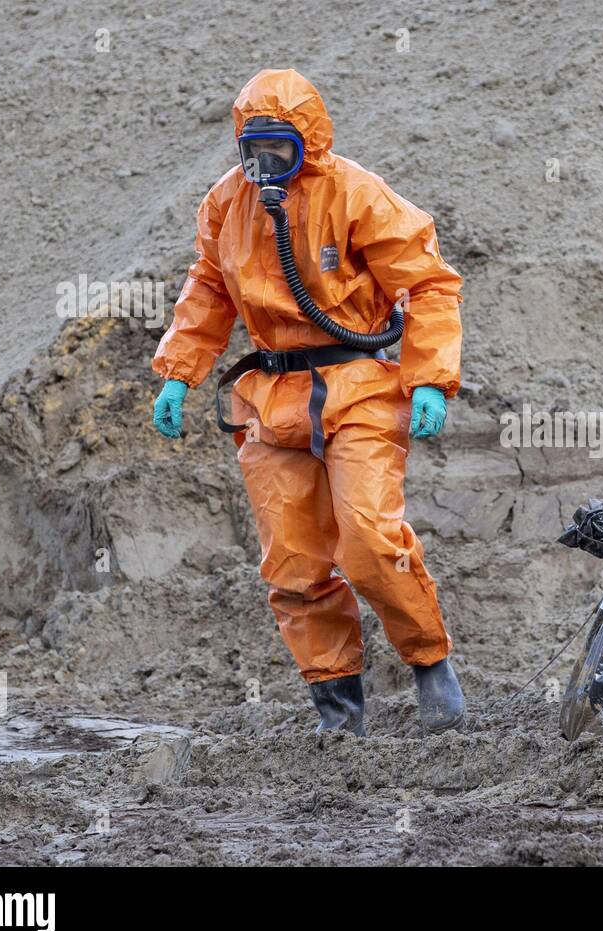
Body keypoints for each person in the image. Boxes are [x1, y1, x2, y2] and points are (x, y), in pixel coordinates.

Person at [149, 68, 466, 736]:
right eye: (253, 150)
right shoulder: (225, 204)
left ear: (310, 143)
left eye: (280, 150)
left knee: (369, 541)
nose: (265, 165)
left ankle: (430, 664)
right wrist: (179, 372)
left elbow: (430, 284)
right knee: (293, 562)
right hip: (270, 395)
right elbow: (206, 288)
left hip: (357, 387)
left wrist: (430, 378)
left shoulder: (356, 194)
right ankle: (338, 710)